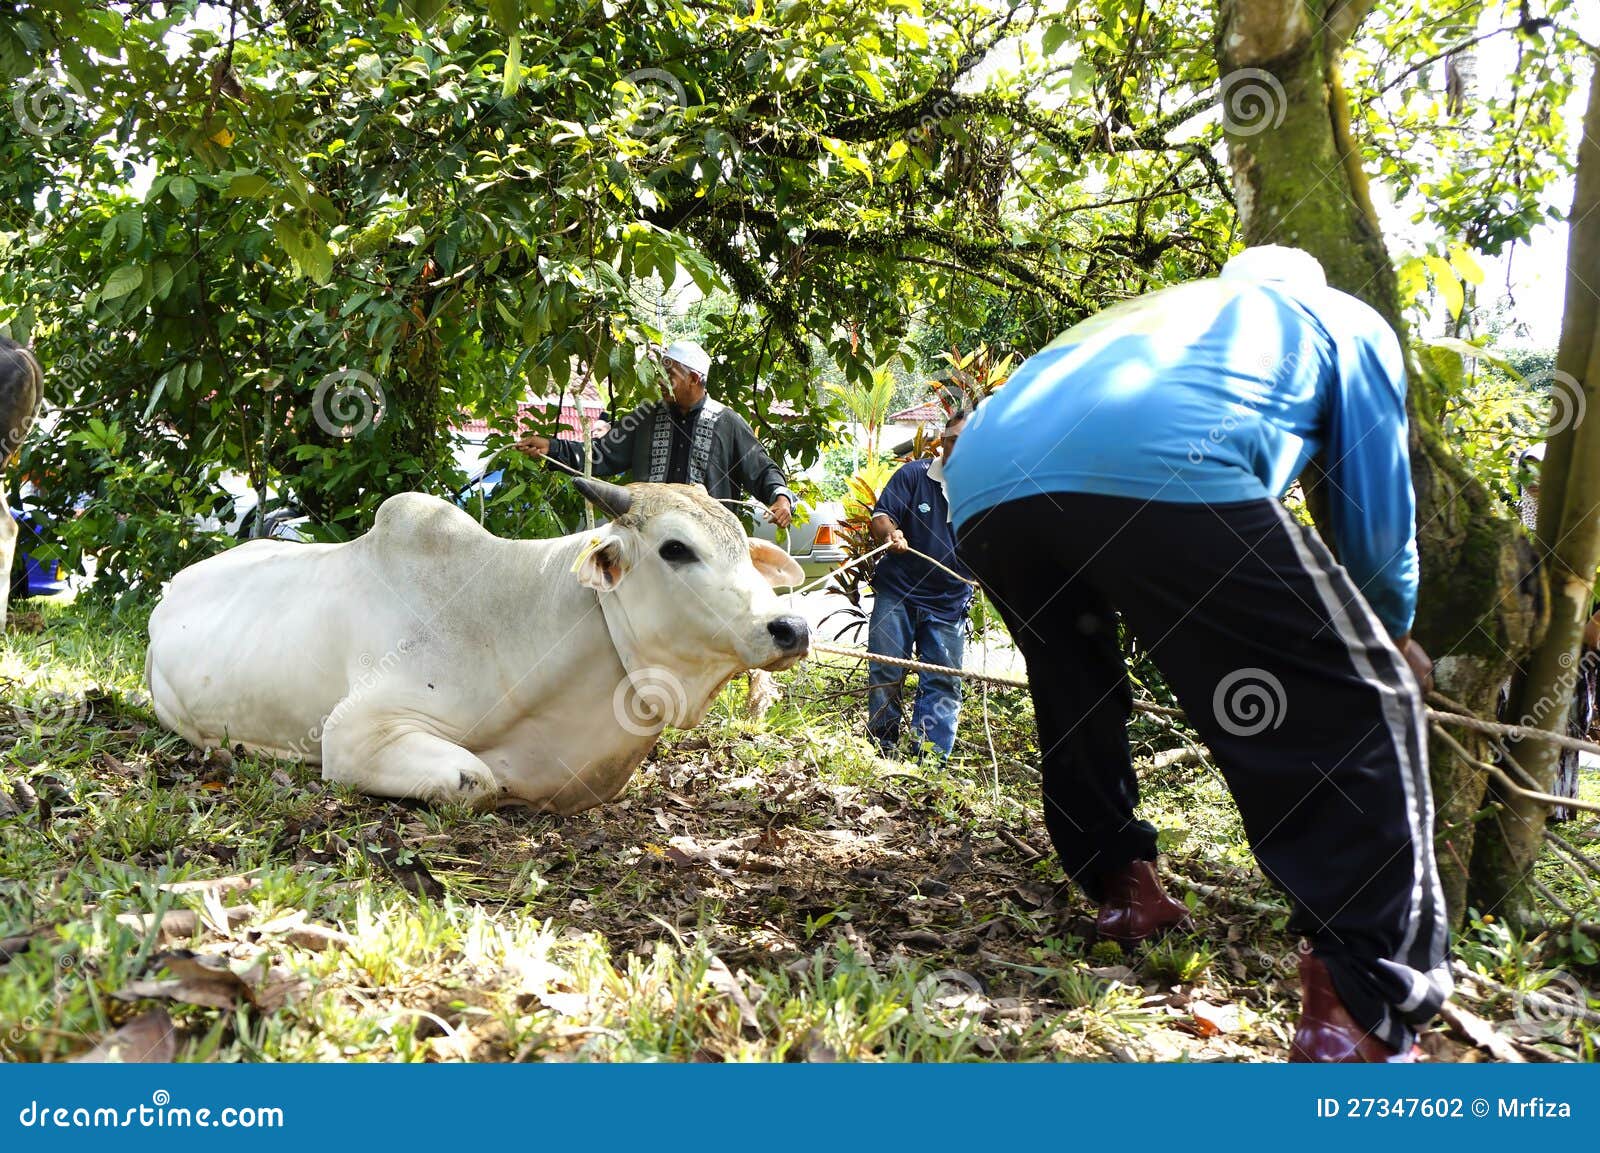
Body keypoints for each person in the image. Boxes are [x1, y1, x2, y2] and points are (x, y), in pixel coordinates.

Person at [945, 245, 1449, 1063]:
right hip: (1162, 462)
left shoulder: (1158, 314)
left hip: (986, 486)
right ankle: (1358, 1003)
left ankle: (1123, 887)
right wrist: (1386, 633)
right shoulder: (1341, 319)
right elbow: (1371, 505)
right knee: (1360, 697)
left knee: (1074, 679)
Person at [515, 340, 794, 528]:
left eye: (669, 375)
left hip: (707, 544)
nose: (660, 381)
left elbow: (762, 469)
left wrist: (781, 498)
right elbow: (600, 454)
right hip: (649, 535)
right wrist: (551, 448)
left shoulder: (727, 421)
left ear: (694, 379)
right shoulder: (645, 417)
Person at [865, 411, 975, 760]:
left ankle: (928, 759)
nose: (957, 448)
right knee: (885, 668)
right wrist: (890, 533)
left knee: (942, 680)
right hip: (898, 591)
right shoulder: (914, 475)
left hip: (949, 601)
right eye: (952, 440)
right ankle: (881, 749)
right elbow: (881, 516)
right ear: (942, 442)